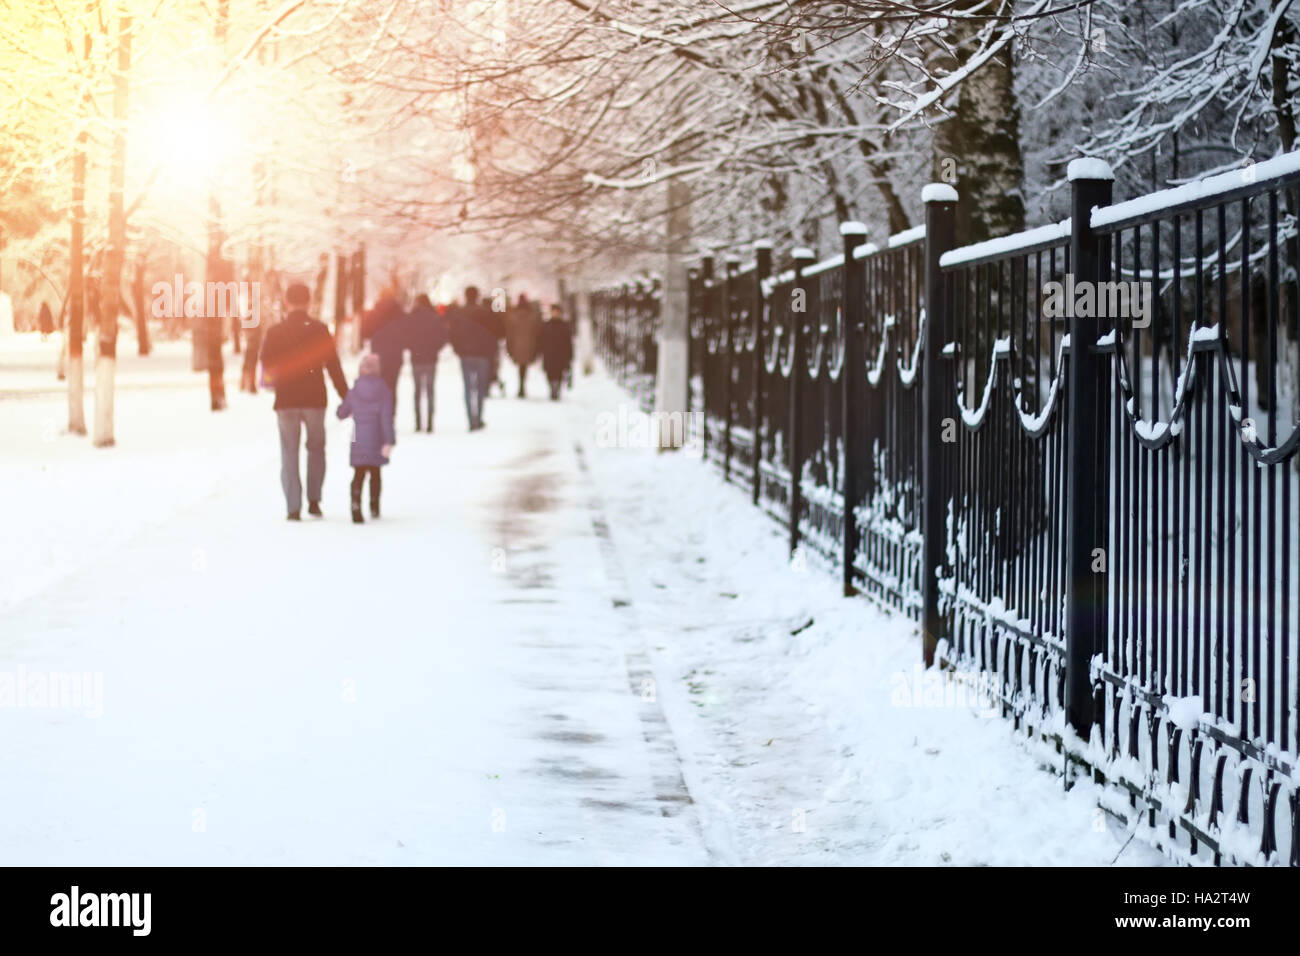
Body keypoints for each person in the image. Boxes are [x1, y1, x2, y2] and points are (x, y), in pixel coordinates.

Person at [259, 282, 349, 520]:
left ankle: (292, 506)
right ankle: (314, 499)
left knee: (289, 451)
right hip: (314, 398)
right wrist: (346, 395)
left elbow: (266, 363)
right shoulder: (319, 329)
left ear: (287, 302)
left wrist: (276, 380)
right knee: (316, 448)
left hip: (286, 399)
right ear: (308, 302)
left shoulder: (275, 332)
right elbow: (333, 365)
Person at [336, 353, 395, 523]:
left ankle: (355, 504)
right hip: (376, 438)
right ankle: (374, 506)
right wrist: (389, 440)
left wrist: (341, 410)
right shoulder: (384, 391)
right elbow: (386, 418)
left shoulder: (354, 391)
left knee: (359, 474)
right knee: (375, 473)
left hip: (358, 439)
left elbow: (342, 413)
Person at [449, 285, 503, 430]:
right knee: (480, 388)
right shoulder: (485, 313)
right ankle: (478, 417)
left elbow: (453, 334)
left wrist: (458, 349)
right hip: (482, 355)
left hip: (465, 355)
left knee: (467, 388)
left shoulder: (459, 313)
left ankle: (470, 419)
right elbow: (494, 333)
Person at [407, 293, 447, 432]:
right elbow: (443, 337)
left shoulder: (411, 318)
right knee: (430, 391)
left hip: (416, 359)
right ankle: (430, 423)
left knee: (417, 392)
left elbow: (406, 337)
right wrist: (435, 349)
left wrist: (412, 348)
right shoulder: (435, 317)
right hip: (431, 359)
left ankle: (418, 423)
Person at [367, 289, 408, 419]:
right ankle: (390, 414)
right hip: (395, 355)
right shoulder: (399, 312)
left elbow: (366, 332)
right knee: (392, 386)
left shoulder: (374, 312)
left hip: (378, 355)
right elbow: (406, 333)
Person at [505, 293, 542, 398]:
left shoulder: (512, 316)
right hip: (529, 345)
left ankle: (521, 387)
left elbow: (509, 334)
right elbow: (537, 333)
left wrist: (509, 348)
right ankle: (522, 386)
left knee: (521, 368)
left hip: (517, 346)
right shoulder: (532, 316)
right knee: (524, 367)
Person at [541, 303, 574, 401]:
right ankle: (553, 387)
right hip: (549, 353)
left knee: (559, 372)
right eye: (553, 312)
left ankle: (556, 389)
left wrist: (570, 354)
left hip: (560, 353)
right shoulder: (546, 325)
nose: (555, 313)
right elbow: (541, 339)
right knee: (549, 372)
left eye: (557, 312)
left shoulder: (564, 325)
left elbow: (568, 341)